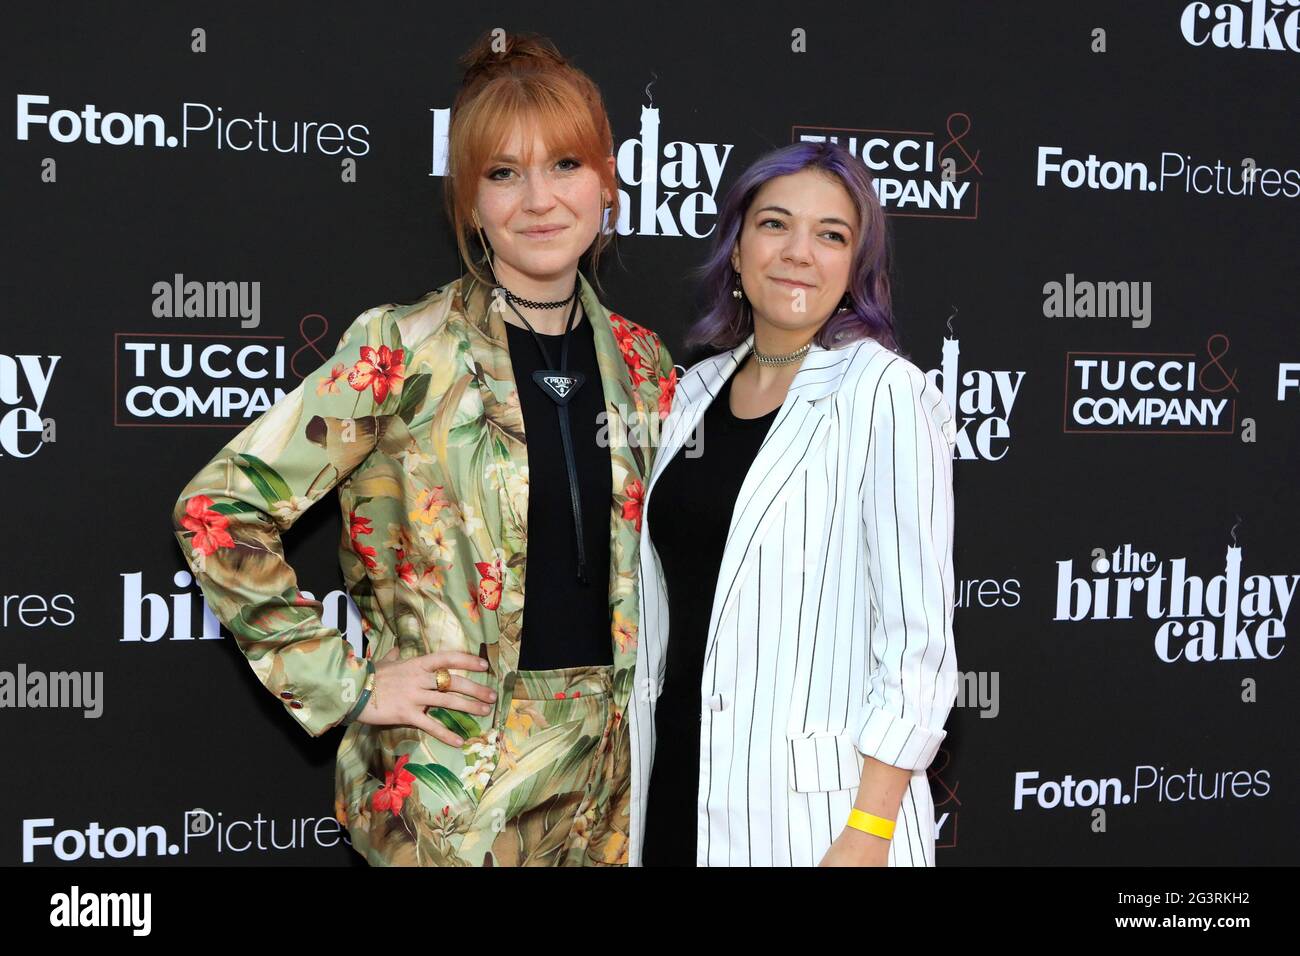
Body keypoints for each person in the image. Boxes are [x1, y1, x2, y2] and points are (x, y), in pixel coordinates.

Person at [170, 31, 675, 867]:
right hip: (450, 794)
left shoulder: (649, 365)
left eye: (566, 166)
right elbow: (218, 508)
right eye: (503, 174)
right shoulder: (403, 350)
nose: (539, 199)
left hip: (614, 798)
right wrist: (350, 683)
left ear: (608, 183)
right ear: (469, 203)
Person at [629, 140, 958, 867]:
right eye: (775, 224)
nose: (799, 252)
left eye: (831, 234)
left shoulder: (883, 394)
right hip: (676, 788)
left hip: (820, 819)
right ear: (738, 251)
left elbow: (919, 647)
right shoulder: (691, 393)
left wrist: (869, 832)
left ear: (854, 268)